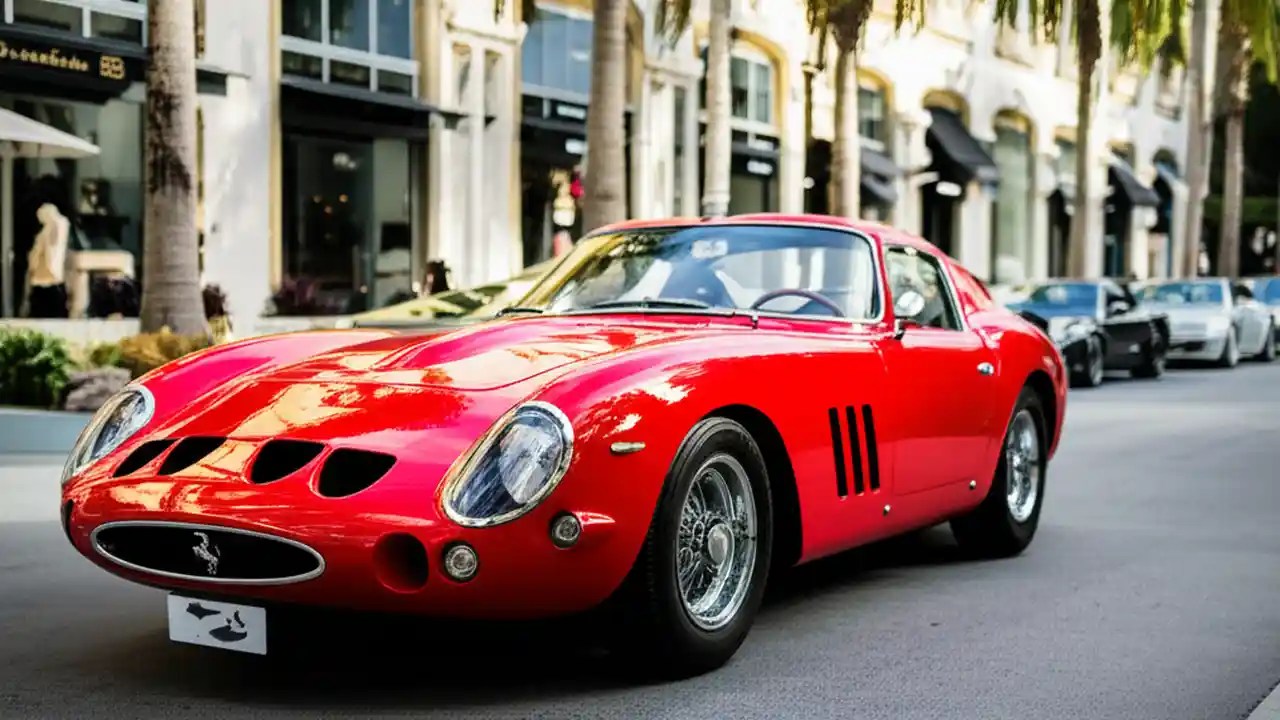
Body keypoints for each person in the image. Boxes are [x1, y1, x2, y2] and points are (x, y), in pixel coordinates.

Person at [25, 203, 70, 318]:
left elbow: (48, 250)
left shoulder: (56, 226)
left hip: (48, 276)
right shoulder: (49, 229)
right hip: (43, 276)